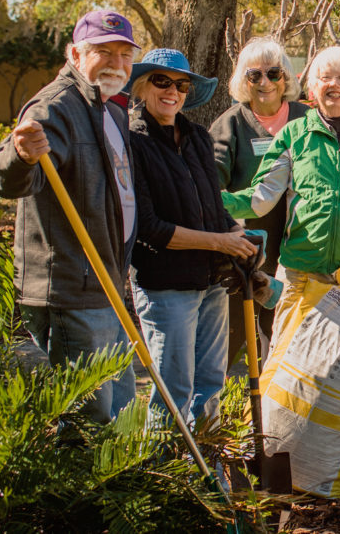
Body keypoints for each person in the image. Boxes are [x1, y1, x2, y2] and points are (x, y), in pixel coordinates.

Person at [0, 10, 140, 424]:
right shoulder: (55, 106)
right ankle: (78, 489)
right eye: (104, 52)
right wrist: (20, 155)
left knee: (121, 409)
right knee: (89, 417)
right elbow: (9, 180)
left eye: (125, 55)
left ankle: (115, 488)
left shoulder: (110, 110)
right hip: (72, 286)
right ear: (75, 53)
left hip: (107, 284)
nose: (116, 63)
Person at [125, 48, 258, 426]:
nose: (173, 91)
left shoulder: (198, 136)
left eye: (181, 85)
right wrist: (219, 242)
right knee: (174, 390)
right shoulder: (132, 141)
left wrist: (235, 233)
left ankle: (208, 461)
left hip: (210, 280)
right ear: (141, 86)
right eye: (162, 81)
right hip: (166, 286)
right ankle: (168, 475)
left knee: (210, 382)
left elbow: (213, 207)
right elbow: (149, 227)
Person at [220, 45, 340, 304]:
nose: (334, 84)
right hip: (298, 275)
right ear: (312, 88)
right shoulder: (294, 134)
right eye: (325, 78)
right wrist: (211, 200)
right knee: (288, 346)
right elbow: (261, 197)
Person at [209, 37, 310, 356]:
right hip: (247, 252)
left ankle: (274, 407)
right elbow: (211, 187)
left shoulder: (307, 120)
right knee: (230, 338)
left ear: (286, 79)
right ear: (243, 81)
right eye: (254, 75)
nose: (265, 82)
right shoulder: (230, 124)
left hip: (300, 251)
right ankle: (208, 405)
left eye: (274, 73)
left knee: (284, 341)